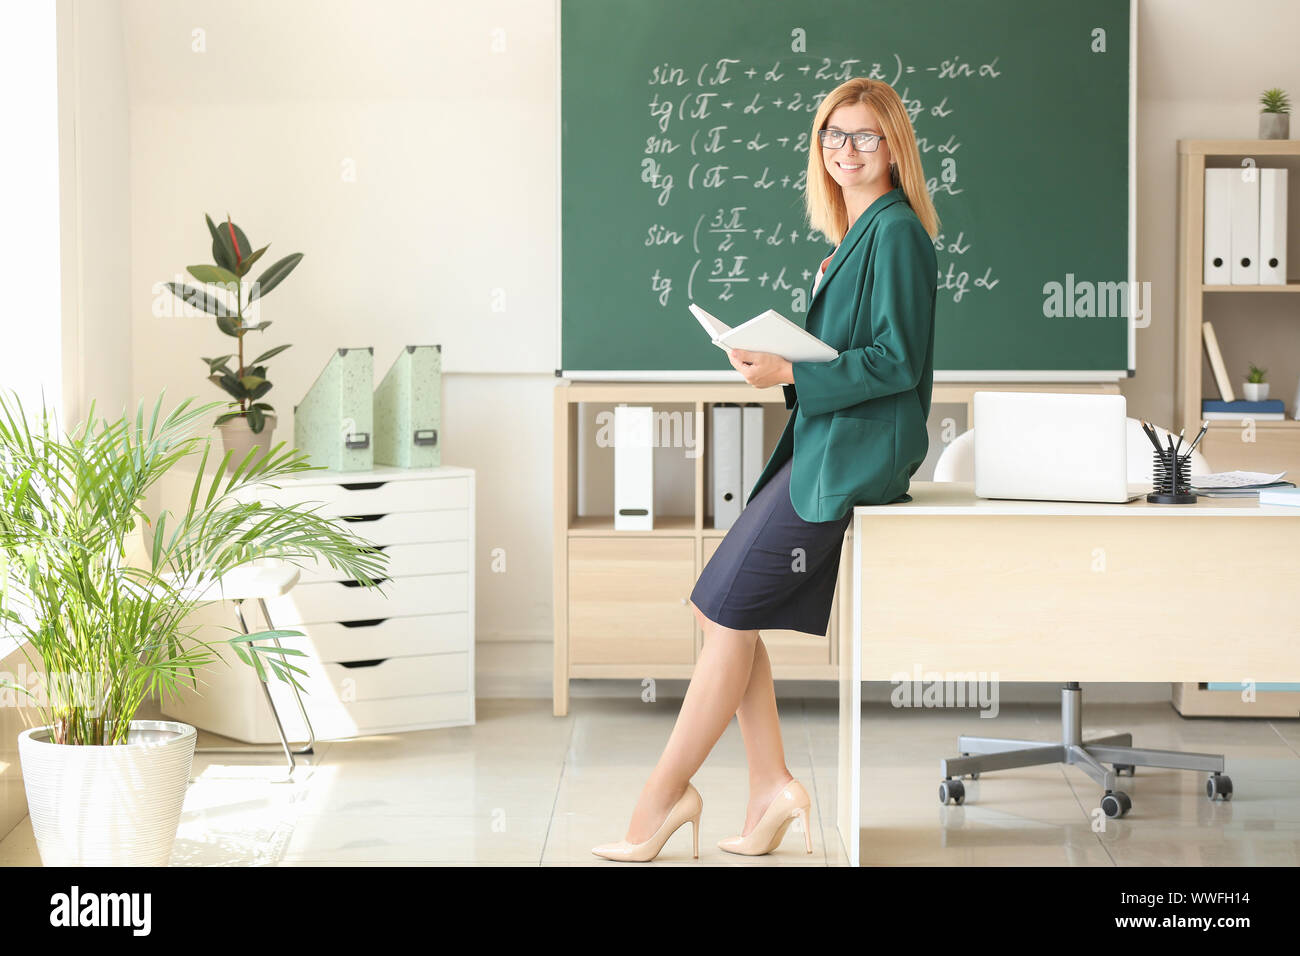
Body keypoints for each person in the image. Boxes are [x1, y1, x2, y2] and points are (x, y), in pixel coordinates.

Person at [592, 77, 940, 862]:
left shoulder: (896, 233)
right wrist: (787, 363)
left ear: (894, 150)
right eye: (832, 137)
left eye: (864, 138)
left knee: (724, 612)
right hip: (824, 448)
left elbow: (895, 360)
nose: (846, 151)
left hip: (852, 458)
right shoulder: (857, 236)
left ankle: (662, 798)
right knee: (724, 613)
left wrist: (787, 372)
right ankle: (770, 788)